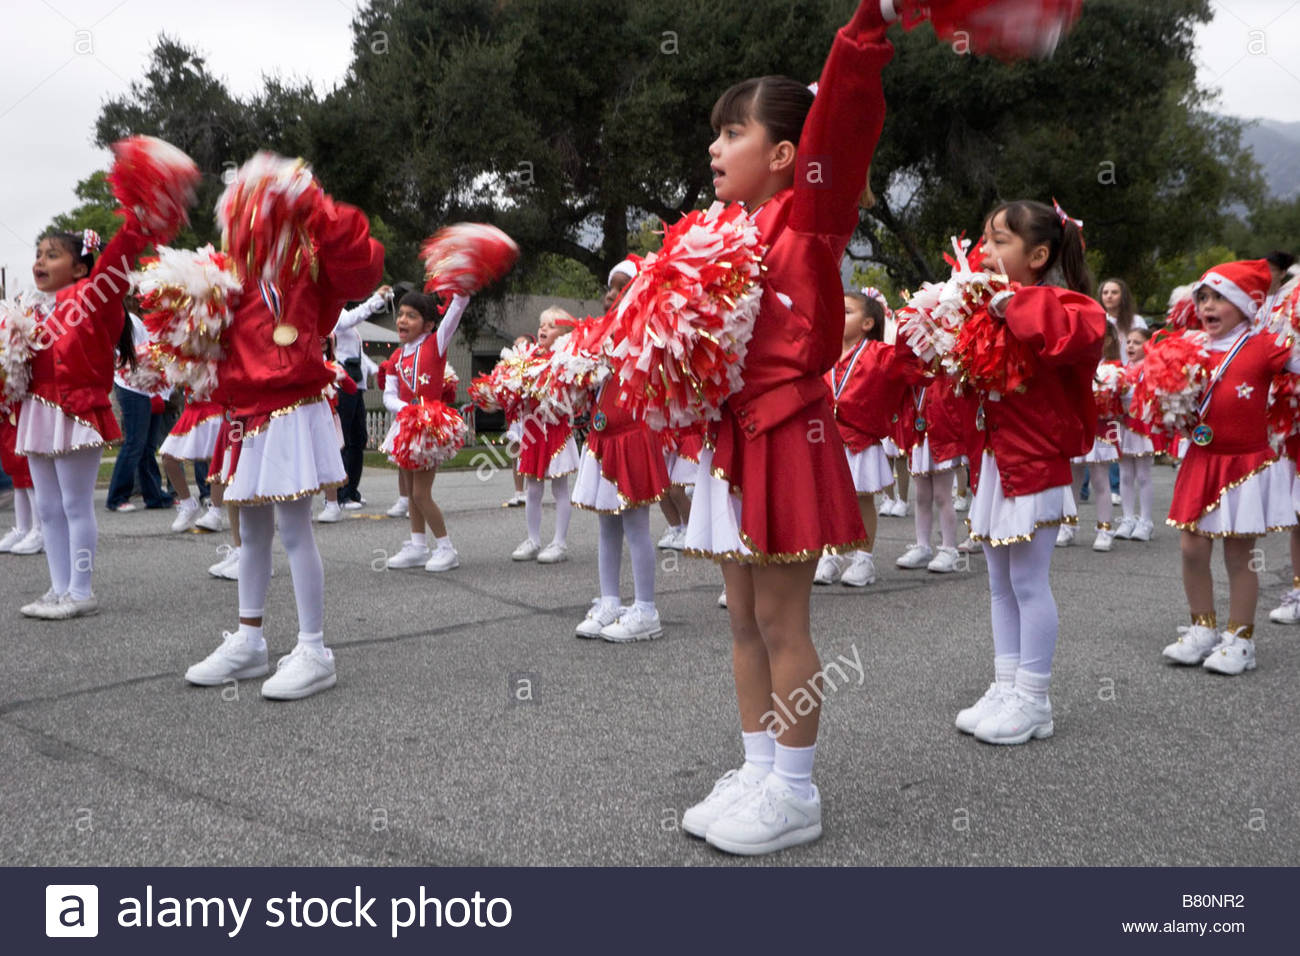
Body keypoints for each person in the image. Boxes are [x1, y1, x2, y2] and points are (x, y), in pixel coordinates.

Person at [679, 0, 892, 855]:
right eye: (715, 134)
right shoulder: (719, 234)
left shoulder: (806, 218)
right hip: (732, 441)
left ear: (781, 155)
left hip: (787, 435)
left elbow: (840, 119)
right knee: (737, 620)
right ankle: (759, 766)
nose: (714, 147)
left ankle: (797, 792)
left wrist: (866, 25)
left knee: (782, 623)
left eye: (731, 132)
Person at [185, 168, 384, 699]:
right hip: (243, 412)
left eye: (266, 208)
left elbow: (363, 267)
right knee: (250, 532)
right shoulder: (231, 275)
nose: (254, 222)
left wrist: (315, 203)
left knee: (295, 530)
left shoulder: (310, 259)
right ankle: (250, 641)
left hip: (292, 403)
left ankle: (314, 649)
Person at [956, 199, 1105, 744]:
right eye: (986, 239)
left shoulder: (1065, 304)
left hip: (1037, 460)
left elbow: (1077, 336)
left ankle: (1035, 698)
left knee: (1028, 581)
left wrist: (1008, 306)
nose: (986, 251)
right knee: (998, 583)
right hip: (998, 461)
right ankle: (1006, 685)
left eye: (1001, 242)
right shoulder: (987, 307)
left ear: (1039, 255)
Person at [1160, 260, 1299, 675]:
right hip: (1201, 459)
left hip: (1244, 463)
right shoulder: (1188, 346)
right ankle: (1203, 628)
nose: (1208, 305)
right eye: (1203, 297)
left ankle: (1240, 639)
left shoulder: (1264, 344)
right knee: (1191, 548)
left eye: (1220, 297)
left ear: (1244, 304)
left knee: (1240, 555)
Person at [18, 225, 158, 620]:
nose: (40, 262)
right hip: (38, 412)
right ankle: (59, 587)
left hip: (76, 410)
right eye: (39, 253)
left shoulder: (94, 298)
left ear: (80, 268)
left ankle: (81, 590)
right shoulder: (31, 307)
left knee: (75, 505)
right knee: (47, 508)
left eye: (52, 255)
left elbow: (115, 266)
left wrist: (137, 222)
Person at [571, 263, 670, 640]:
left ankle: (646, 609)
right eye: (608, 287)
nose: (611, 294)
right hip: (601, 437)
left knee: (636, 526)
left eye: (621, 287)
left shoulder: (649, 330)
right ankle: (610, 600)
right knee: (606, 524)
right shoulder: (600, 333)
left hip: (631, 436)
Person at [814, 291, 900, 587]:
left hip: (861, 440)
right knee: (827, 501)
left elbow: (909, 367)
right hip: (827, 441)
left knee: (862, 500)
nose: (839, 315)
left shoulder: (878, 352)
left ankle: (863, 559)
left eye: (847, 311)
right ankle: (830, 554)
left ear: (867, 323)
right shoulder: (823, 353)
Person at [380, 291, 468, 572]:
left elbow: (454, 313)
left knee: (420, 493)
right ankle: (418, 546)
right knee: (408, 491)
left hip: (429, 427)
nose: (402, 320)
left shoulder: (435, 344)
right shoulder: (395, 356)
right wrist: (407, 410)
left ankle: (446, 548)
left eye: (412, 316)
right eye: (401, 314)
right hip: (407, 425)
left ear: (428, 325)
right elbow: (388, 395)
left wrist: (462, 291)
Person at [511, 308, 577, 564]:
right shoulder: (527, 360)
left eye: (551, 326)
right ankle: (533, 539)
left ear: (564, 334)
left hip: (555, 431)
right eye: (541, 324)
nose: (543, 329)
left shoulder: (567, 360)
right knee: (533, 489)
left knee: (560, 488)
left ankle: (559, 542)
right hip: (532, 433)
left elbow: (569, 399)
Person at [106, 311, 174, 514]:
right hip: (131, 385)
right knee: (135, 443)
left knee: (147, 446)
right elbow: (133, 355)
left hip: (148, 386)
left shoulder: (139, 320)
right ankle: (117, 496)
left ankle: (154, 495)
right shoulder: (123, 318)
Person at [1061, 322, 1122, 551]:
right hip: (1077, 427)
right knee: (1073, 479)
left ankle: (1105, 529)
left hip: (1102, 428)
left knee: (1099, 479)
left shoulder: (1114, 369)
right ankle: (1068, 525)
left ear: (1108, 340)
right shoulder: (1075, 365)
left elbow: (1118, 404)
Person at [332, 283, 391, 510]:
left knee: (359, 438)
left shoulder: (344, 315)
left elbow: (357, 354)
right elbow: (351, 320)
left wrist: (378, 370)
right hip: (341, 385)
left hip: (355, 386)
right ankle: (340, 494)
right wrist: (376, 299)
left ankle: (352, 490)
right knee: (344, 440)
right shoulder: (332, 316)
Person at [159, 390, 226, 532]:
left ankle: (215, 513)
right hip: (192, 410)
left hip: (216, 408)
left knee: (215, 460)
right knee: (168, 456)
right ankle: (188, 504)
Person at [1114, 328, 1155, 541]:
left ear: (1148, 345)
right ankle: (1127, 518)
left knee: (1143, 474)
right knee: (1125, 474)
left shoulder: (1152, 369)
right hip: (1123, 425)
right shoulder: (1119, 370)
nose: (1130, 346)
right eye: (1128, 341)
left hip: (1142, 425)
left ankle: (1146, 521)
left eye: (1137, 342)